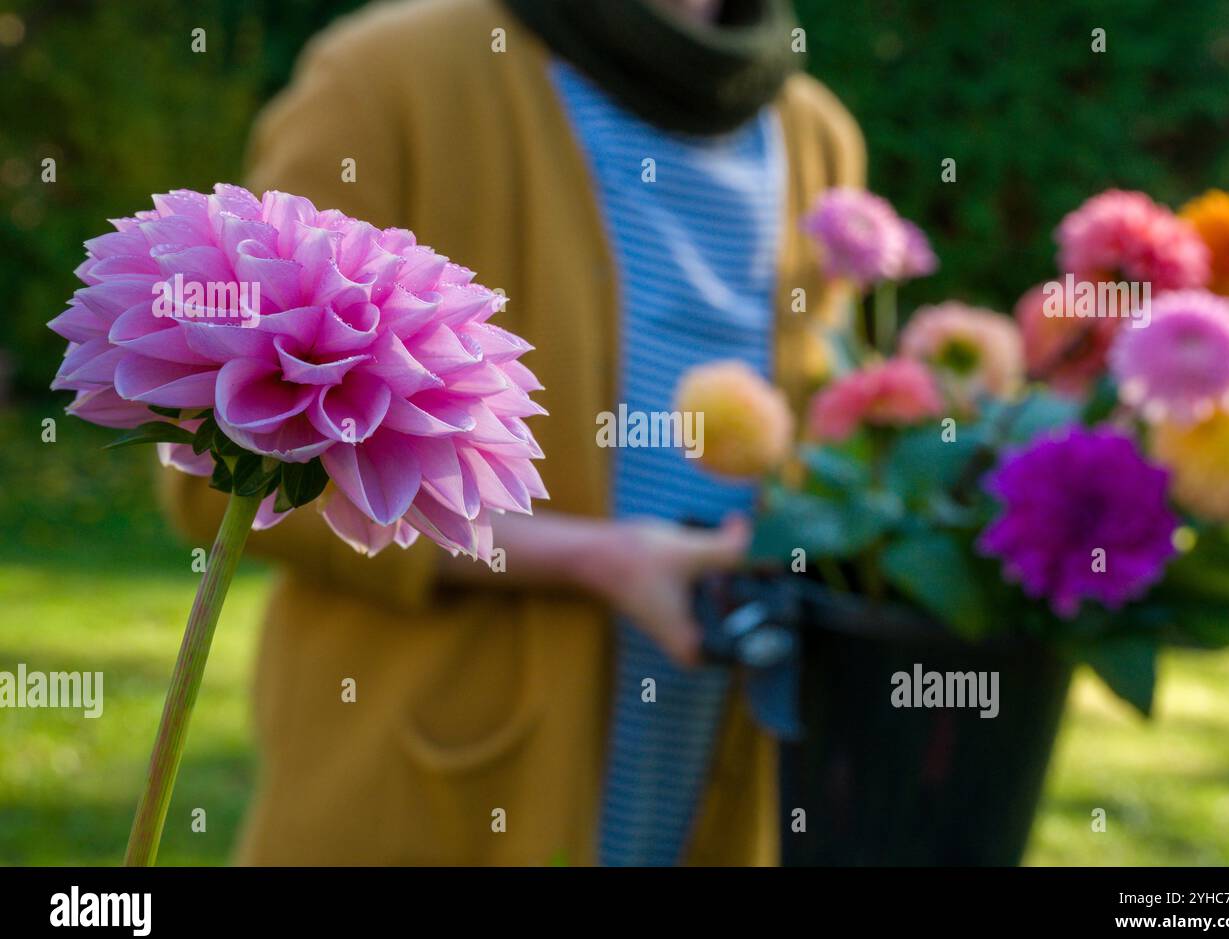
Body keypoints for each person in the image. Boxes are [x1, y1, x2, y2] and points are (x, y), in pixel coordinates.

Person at [163, 0, 864, 865]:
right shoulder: (390, 75)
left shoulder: (817, 133)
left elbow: (829, 455)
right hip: (437, 786)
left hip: (704, 767)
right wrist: (588, 556)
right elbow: (215, 466)